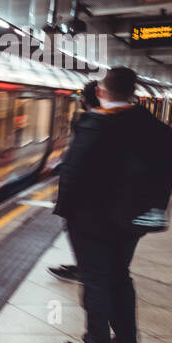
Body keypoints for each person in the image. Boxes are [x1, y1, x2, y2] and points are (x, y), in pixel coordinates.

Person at [54, 66, 172, 343]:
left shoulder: (94, 125)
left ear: (100, 91)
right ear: (133, 93)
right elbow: (166, 178)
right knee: (120, 276)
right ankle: (126, 341)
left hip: (91, 220)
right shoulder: (158, 129)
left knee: (94, 279)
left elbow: (71, 172)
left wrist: (66, 211)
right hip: (133, 221)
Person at [47, 80, 100, 284]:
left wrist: (63, 200)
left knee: (83, 237)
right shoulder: (136, 123)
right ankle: (87, 268)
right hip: (112, 206)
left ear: (85, 100)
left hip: (88, 202)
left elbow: (76, 166)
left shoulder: (90, 125)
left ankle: (87, 271)